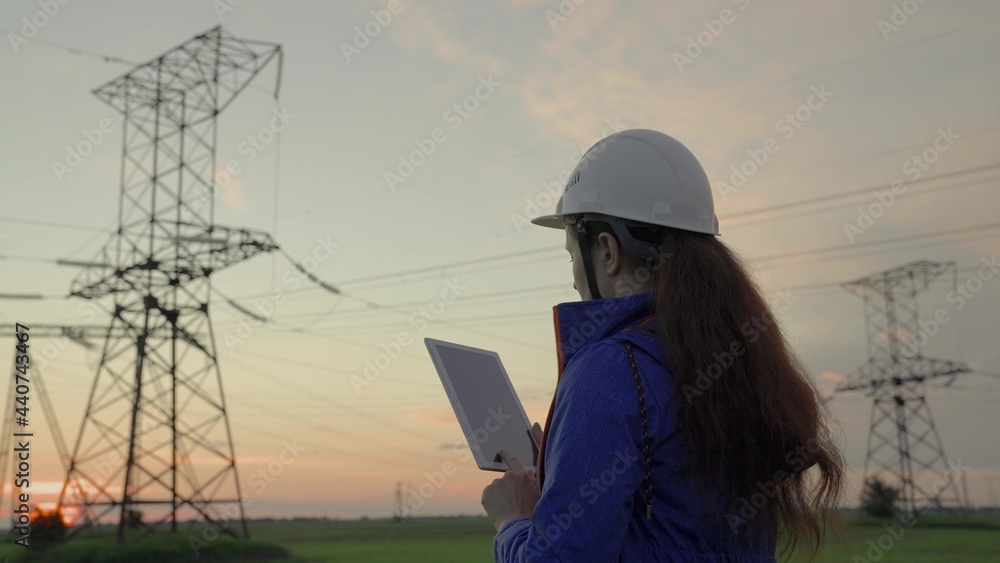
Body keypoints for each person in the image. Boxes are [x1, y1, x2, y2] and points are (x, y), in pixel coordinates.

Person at [481, 129, 844, 562]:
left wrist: (512, 521)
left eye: (571, 256)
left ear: (608, 251)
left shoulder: (610, 368)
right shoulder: (732, 362)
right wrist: (567, 466)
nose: (573, 277)